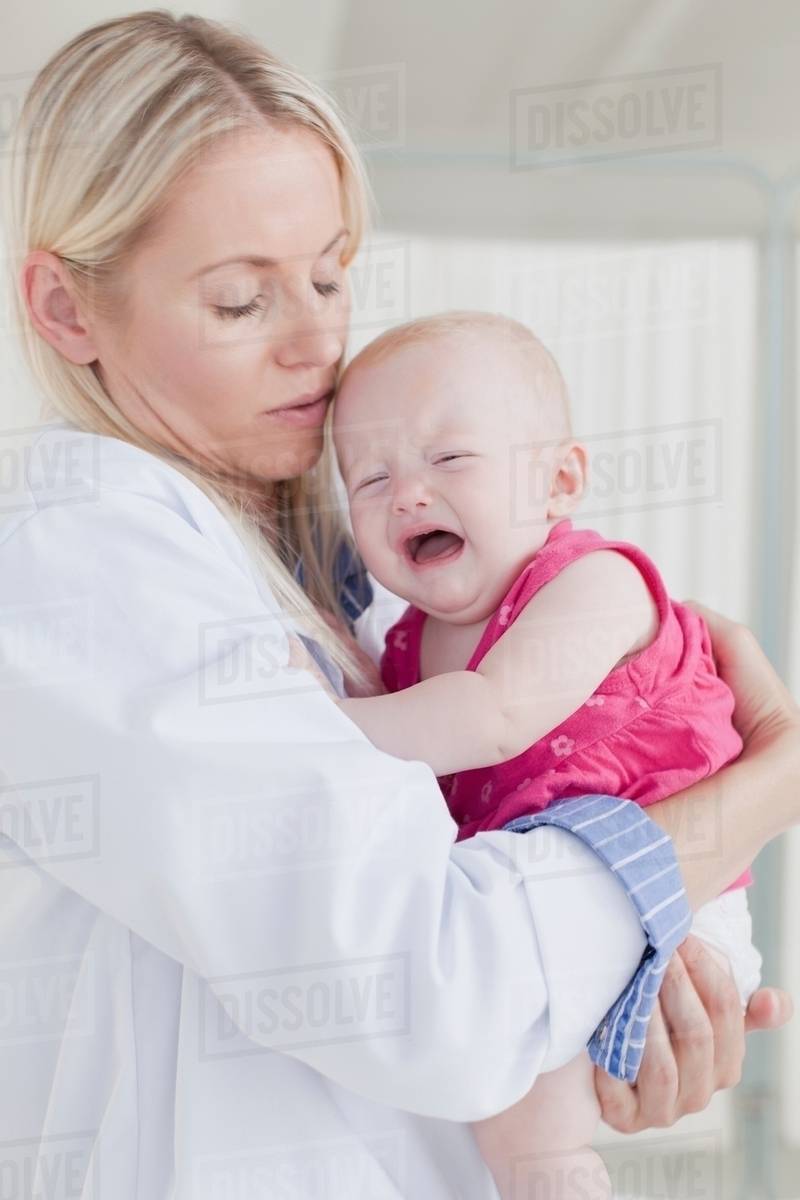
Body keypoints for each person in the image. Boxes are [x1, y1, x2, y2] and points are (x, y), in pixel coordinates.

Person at [0, 12, 795, 1199]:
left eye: (330, 274)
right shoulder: (74, 546)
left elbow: (499, 962)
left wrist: (638, 1004)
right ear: (67, 312)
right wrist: (746, 804)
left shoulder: (342, 554)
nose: (319, 341)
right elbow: (440, 993)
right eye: (238, 302)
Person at [321, 310, 764, 1198]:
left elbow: (494, 717)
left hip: (674, 902)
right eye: (370, 479)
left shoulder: (592, 583)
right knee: (504, 1095)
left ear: (560, 480)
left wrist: (317, 726)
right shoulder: (407, 647)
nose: (407, 493)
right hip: (552, 901)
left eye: (449, 460)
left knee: (533, 1124)